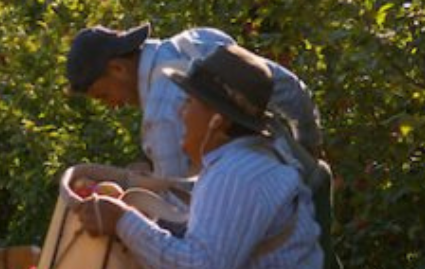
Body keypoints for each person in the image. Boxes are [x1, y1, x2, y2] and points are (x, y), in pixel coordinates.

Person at [72, 44, 347, 269]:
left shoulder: (236, 175)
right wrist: (143, 207)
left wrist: (123, 222)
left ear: (219, 119)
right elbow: (206, 228)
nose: (180, 111)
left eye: (190, 103)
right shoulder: (245, 161)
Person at [65, 23, 322, 179]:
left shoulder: (160, 116)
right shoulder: (199, 39)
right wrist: (308, 150)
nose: (112, 106)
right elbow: (291, 92)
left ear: (118, 69)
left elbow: (178, 206)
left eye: (104, 96)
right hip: (298, 183)